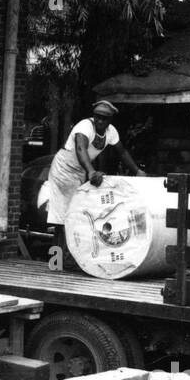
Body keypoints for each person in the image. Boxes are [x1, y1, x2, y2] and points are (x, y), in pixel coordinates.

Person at [45, 100, 142, 269]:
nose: (99, 121)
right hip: (63, 169)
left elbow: (122, 152)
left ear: (110, 120)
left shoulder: (111, 132)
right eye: (97, 117)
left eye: (104, 119)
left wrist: (137, 171)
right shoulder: (84, 127)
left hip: (81, 171)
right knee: (62, 217)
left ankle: (70, 259)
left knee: (77, 214)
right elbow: (81, 149)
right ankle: (57, 262)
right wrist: (91, 171)